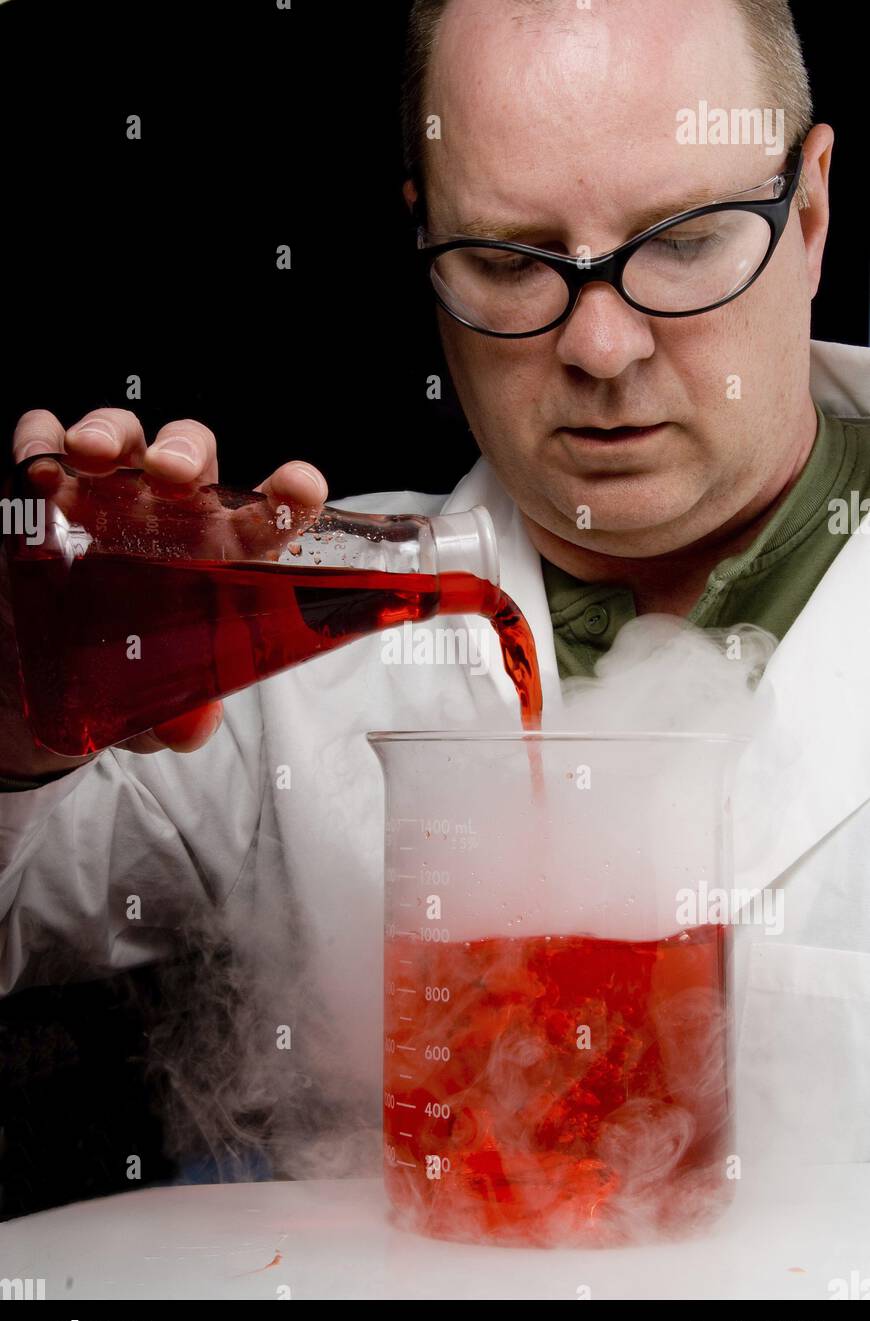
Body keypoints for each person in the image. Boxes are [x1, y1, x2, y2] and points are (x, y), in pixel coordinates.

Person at [2, 0, 869, 1174]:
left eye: (685, 238)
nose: (603, 347)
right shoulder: (285, 645)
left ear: (810, 212)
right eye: (510, 261)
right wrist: (18, 724)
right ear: (426, 245)